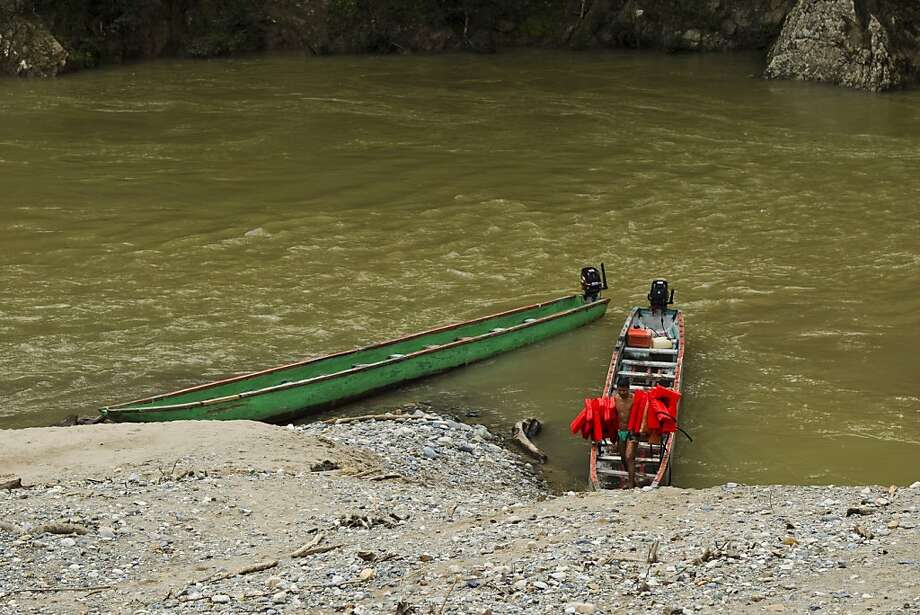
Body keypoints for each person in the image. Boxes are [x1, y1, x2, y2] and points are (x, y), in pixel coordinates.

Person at [612, 377, 637, 488]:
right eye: (620, 390)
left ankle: (631, 484)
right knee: (622, 456)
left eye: (624, 390)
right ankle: (632, 477)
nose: (622, 392)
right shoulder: (614, 399)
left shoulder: (635, 399)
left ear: (629, 389)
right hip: (620, 432)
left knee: (629, 457)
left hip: (632, 431)